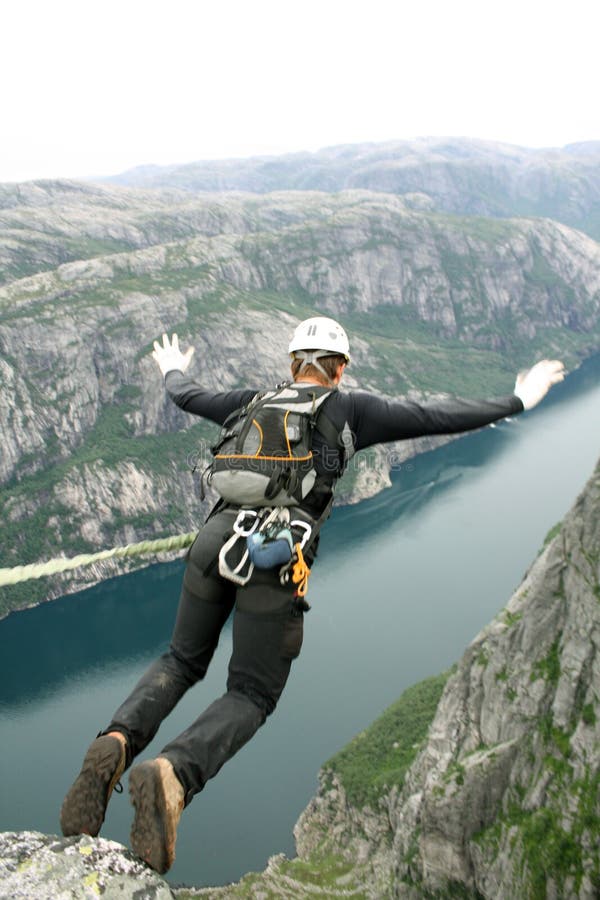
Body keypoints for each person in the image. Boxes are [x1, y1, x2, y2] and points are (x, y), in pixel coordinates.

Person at [60, 316, 565, 873]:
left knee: (180, 660)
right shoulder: (352, 411)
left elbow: (187, 395)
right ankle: (174, 772)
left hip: (213, 541)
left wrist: (173, 367)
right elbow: (435, 415)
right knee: (252, 693)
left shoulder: (254, 400)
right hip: (272, 557)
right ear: (340, 368)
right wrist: (518, 399)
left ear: (292, 362)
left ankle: (114, 742)